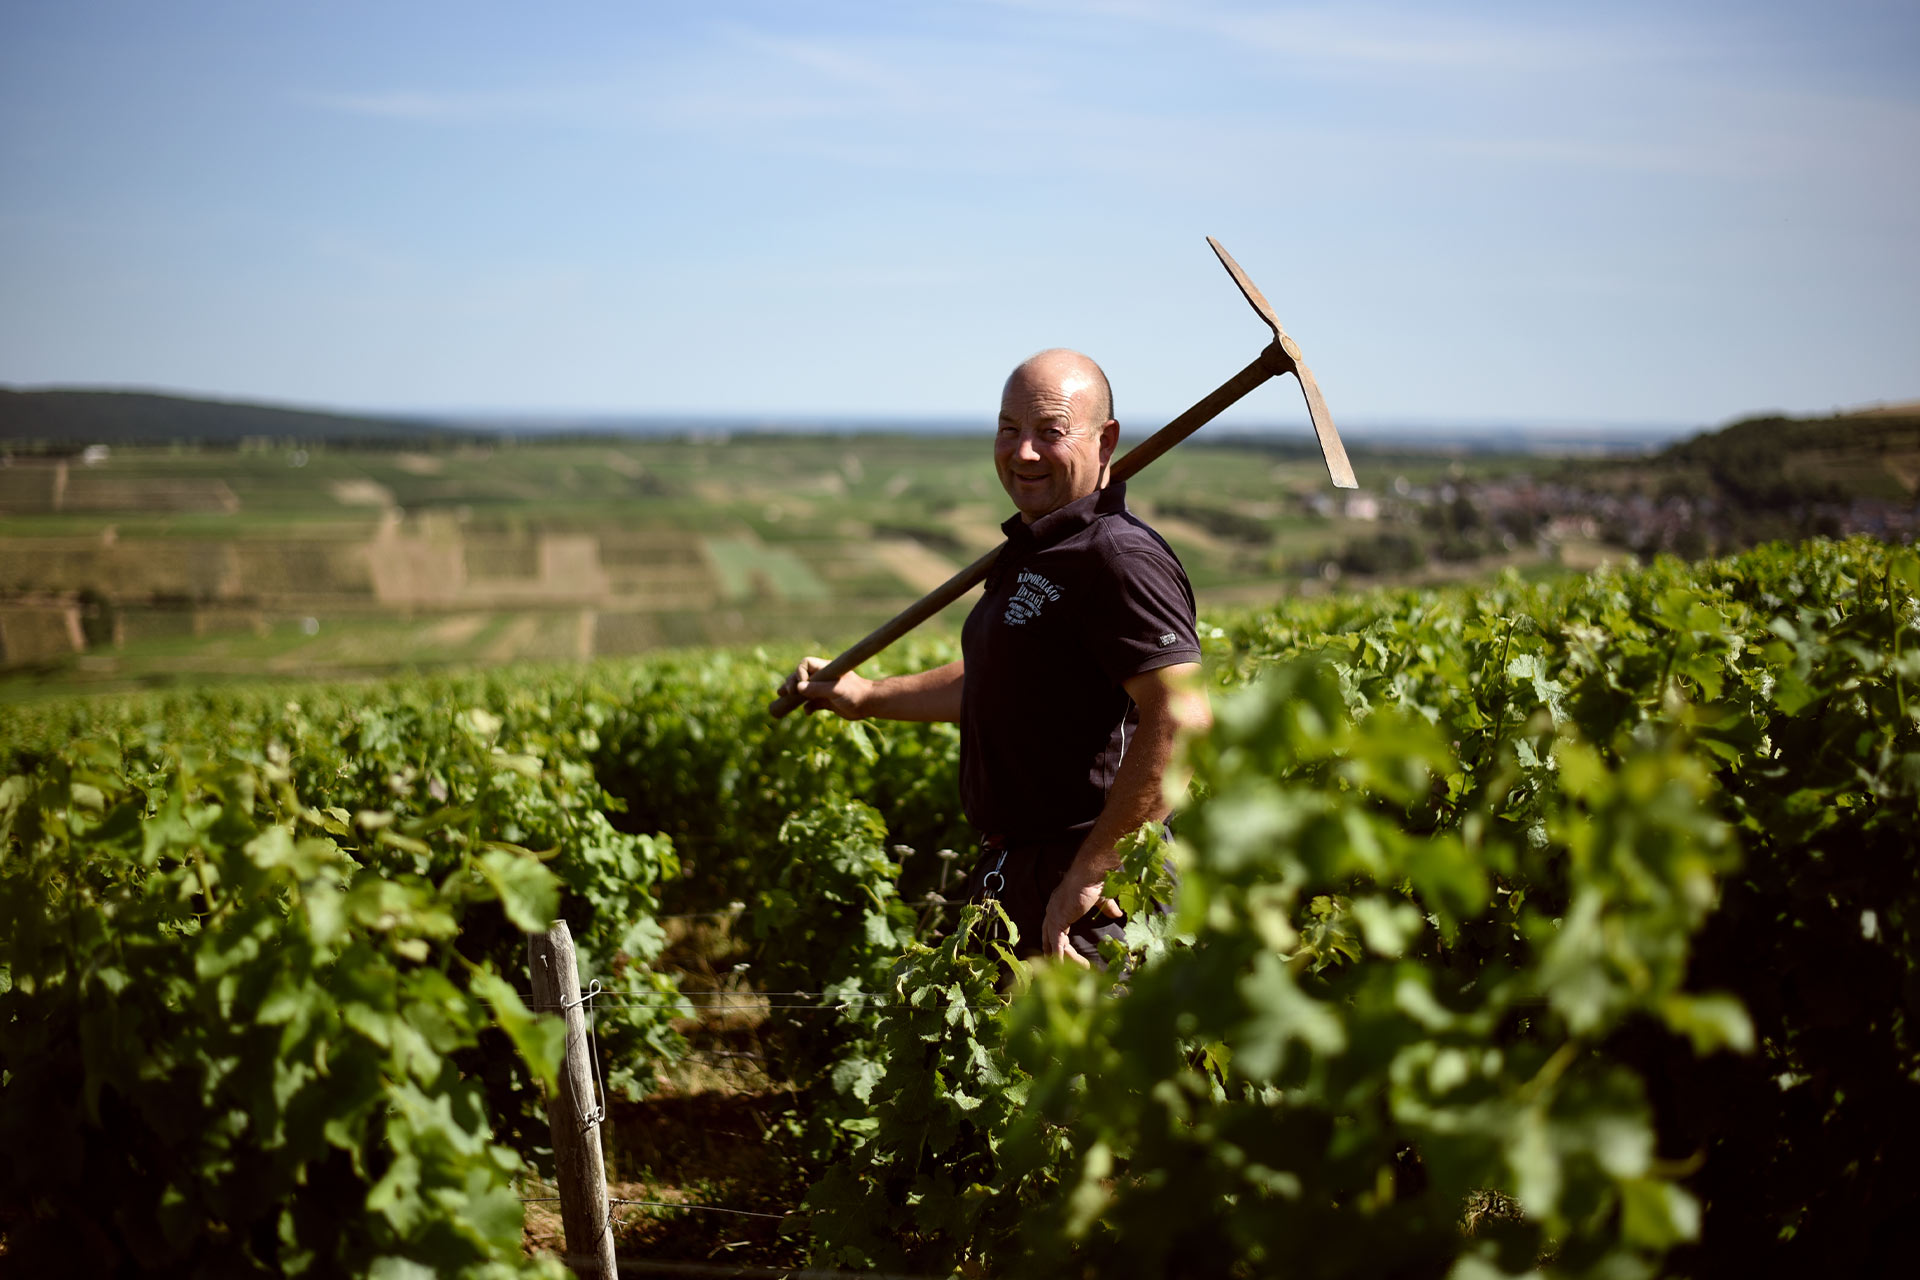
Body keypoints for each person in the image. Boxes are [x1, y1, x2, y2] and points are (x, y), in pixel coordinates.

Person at [777, 349, 1212, 965]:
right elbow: (998, 682)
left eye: (1050, 433)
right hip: (1020, 875)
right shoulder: (1041, 550)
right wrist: (866, 696)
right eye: (1010, 430)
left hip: (1092, 895)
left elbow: (1182, 718)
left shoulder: (1117, 559)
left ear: (1105, 439)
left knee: (1078, 1063)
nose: (1024, 452)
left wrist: (1091, 871)